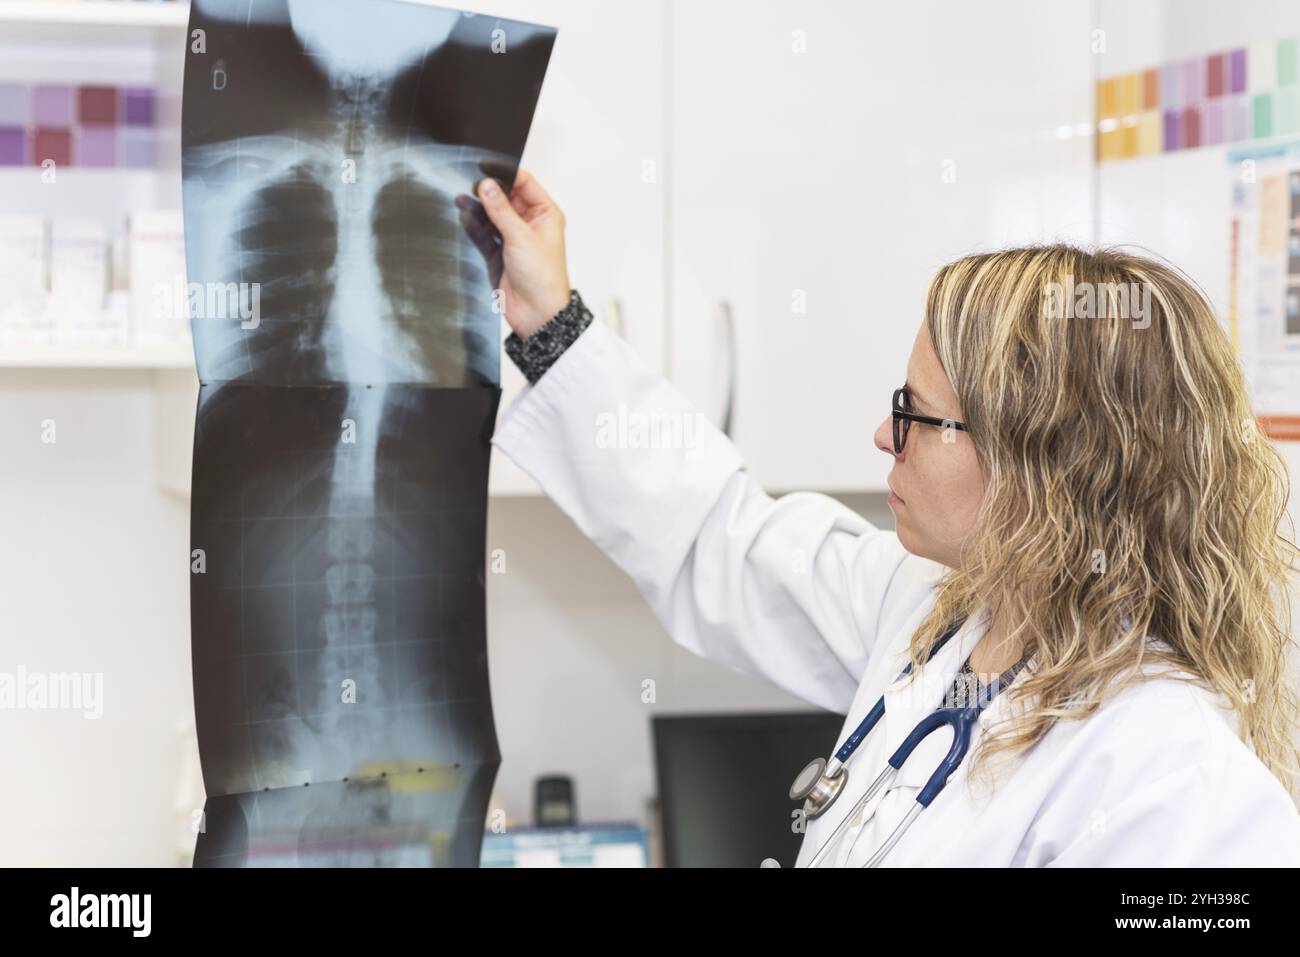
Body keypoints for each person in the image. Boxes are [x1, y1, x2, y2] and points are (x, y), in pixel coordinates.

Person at [465, 169, 1300, 866]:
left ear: (1041, 466)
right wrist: (554, 324)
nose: (881, 435)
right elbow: (723, 535)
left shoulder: (1177, 784)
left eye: (915, 412)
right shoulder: (933, 612)